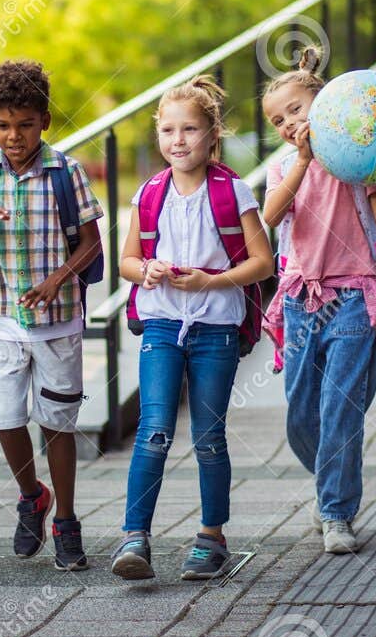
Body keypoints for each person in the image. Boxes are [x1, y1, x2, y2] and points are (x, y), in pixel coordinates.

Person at [261, 48, 376, 556]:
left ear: (326, 101)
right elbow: (270, 215)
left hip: (356, 295)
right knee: (302, 411)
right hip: (300, 298)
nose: (289, 123)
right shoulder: (285, 166)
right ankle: (331, 480)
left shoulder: (360, 158)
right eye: (277, 119)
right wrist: (304, 161)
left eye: (296, 108)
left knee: (342, 407)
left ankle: (336, 511)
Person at [110, 77, 273, 580]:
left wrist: (213, 280)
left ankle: (211, 537)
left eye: (189, 129)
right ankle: (134, 537)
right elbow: (128, 262)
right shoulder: (149, 192)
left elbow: (264, 263)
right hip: (161, 324)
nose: (177, 140)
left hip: (216, 330)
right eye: (167, 130)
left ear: (213, 135)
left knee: (208, 436)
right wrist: (148, 271)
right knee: (154, 430)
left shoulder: (233, 190)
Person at [0, 61, 102, 570]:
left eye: (25, 125)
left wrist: (58, 279)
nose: (13, 136)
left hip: (60, 319)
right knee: (7, 417)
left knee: (57, 423)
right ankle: (30, 495)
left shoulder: (67, 172)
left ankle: (66, 521)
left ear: (44, 121)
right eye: (2, 125)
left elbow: (91, 243)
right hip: (0, 318)